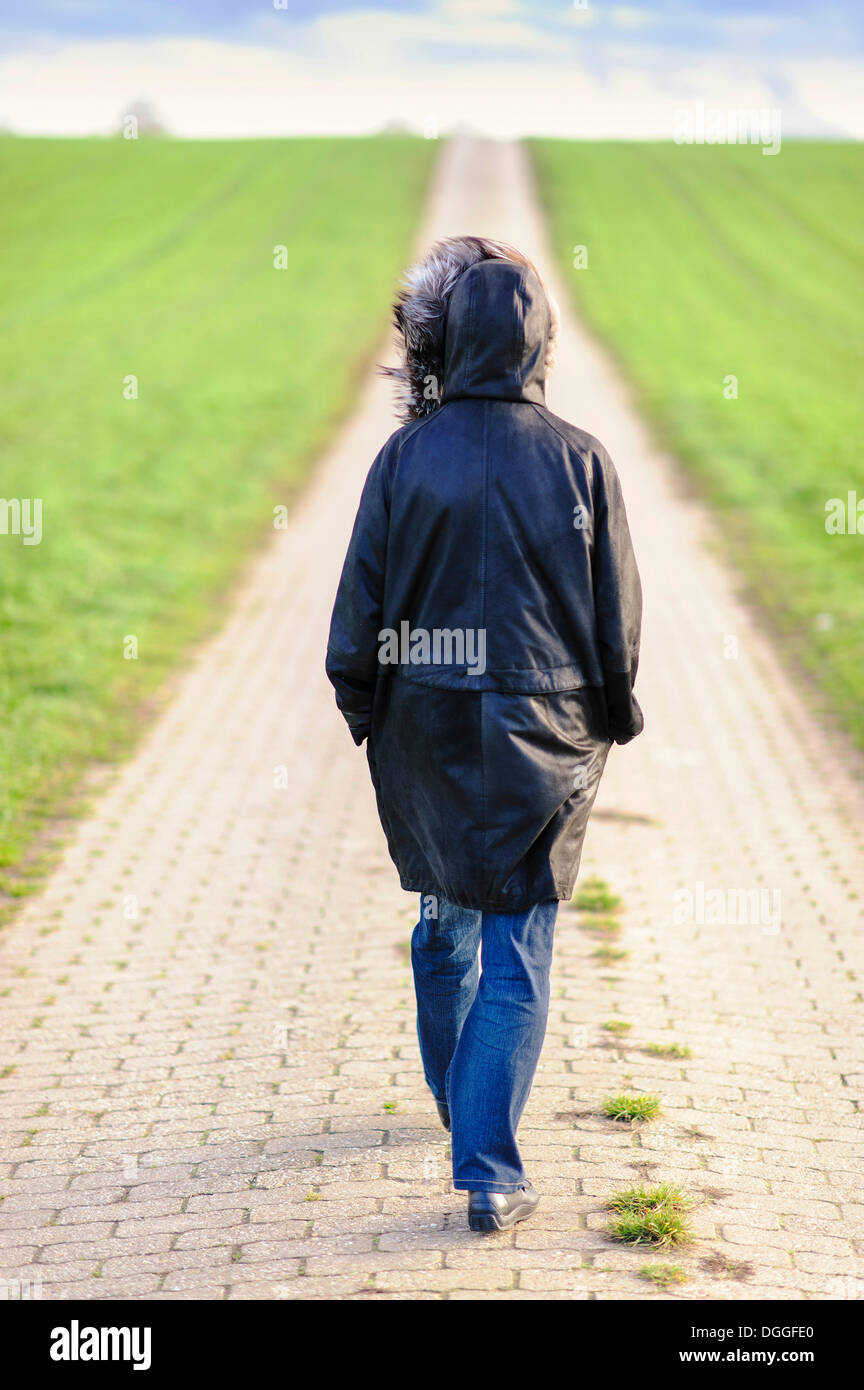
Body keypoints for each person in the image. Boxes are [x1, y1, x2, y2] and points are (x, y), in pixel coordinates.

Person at [326, 236, 643, 1232]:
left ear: (448, 341)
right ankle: (490, 1169)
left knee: (445, 918)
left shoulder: (402, 459)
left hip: (423, 735)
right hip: (546, 744)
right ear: (540, 342)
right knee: (520, 947)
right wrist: (612, 716)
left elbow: (354, 626)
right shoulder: (583, 460)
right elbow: (615, 625)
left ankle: (459, 1106)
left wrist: (368, 715)